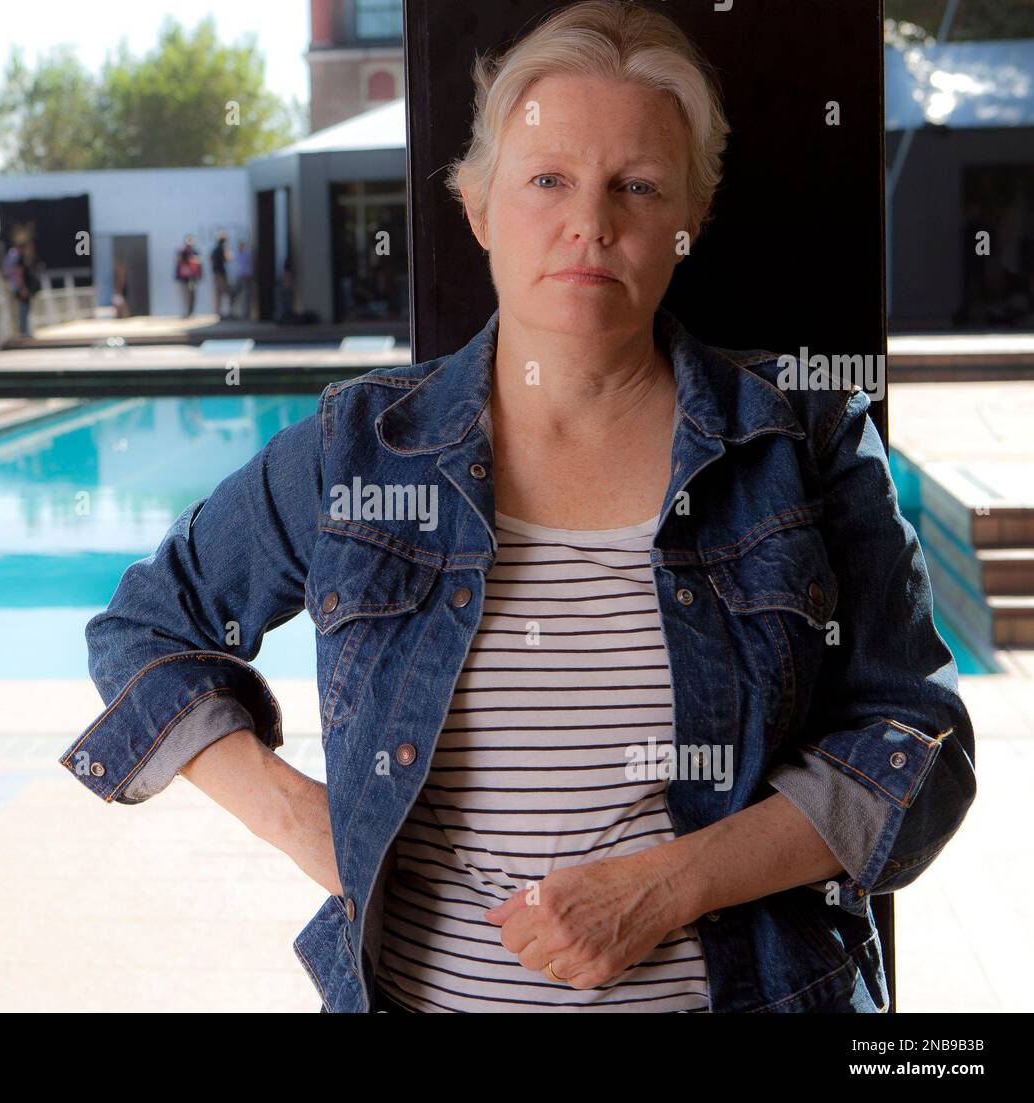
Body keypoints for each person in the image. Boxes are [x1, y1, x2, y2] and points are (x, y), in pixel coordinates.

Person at [59, 0, 976, 1013]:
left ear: (687, 221)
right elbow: (146, 629)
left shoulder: (804, 442)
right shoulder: (360, 448)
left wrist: (666, 886)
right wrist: (319, 827)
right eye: (548, 180)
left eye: (637, 185)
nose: (591, 221)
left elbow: (916, 746)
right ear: (479, 205)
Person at [175, 234, 201, 316]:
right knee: (184, 296)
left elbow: (198, 265)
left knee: (192, 296)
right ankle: (185, 312)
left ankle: (191, 312)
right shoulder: (181, 252)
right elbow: (178, 263)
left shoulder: (195, 252)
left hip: (192, 278)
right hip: (183, 279)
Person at [210, 232, 232, 318]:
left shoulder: (215, 249)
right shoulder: (221, 249)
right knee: (227, 292)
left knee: (218, 293)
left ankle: (218, 312)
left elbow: (211, 259)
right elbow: (227, 259)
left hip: (216, 274)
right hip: (220, 274)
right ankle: (226, 312)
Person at [232, 239, 254, 321]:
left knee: (246, 295)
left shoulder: (247, 254)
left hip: (246, 276)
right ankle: (235, 313)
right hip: (239, 276)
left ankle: (246, 313)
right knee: (236, 294)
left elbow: (249, 266)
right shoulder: (237, 254)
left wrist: (249, 275)